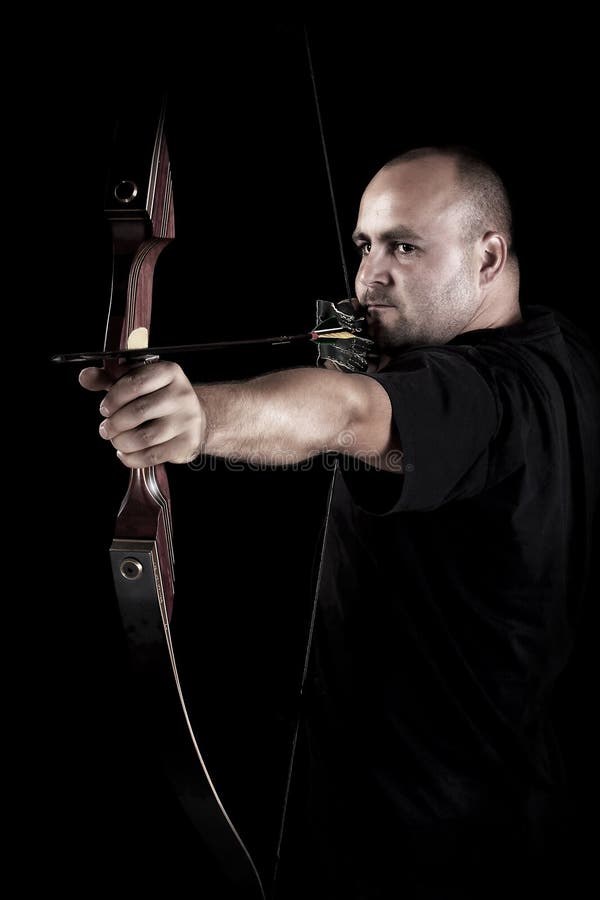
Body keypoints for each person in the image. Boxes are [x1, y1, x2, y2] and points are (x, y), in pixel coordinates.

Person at [80, 147, 600, 898]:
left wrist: (199, 418)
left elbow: (353, 416)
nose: (370, 275)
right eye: (365, 245)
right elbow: (363, 383)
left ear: (489, 254)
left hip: (423, 848)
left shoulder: (486, 398)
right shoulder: (557, 345)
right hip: (500, 806)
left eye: (405, 247)